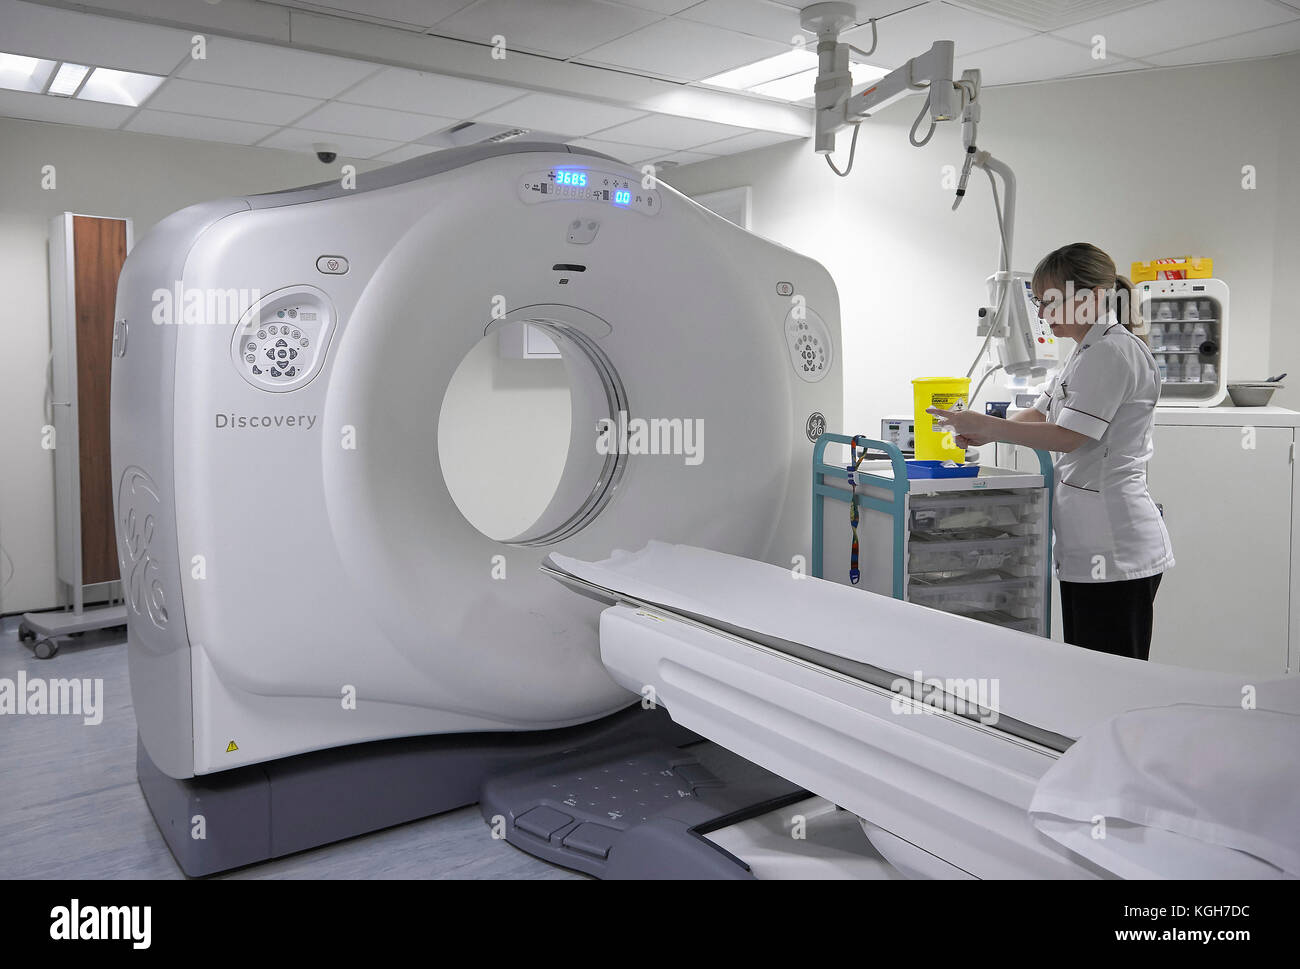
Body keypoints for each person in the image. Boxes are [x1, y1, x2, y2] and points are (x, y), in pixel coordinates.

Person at [928, 242, 1174, 661]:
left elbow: (1068, 437)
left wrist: (989, 427)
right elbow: (1041, 413)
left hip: (1114, 546)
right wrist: (982, 433)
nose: (1042, 314)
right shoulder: (1085, 352)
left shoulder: (1114, 352)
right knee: (1085, 669)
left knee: (1109, 678)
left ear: (1091, 297)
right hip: (1088, 542)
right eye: (1039, 303)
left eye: (1049, 302)